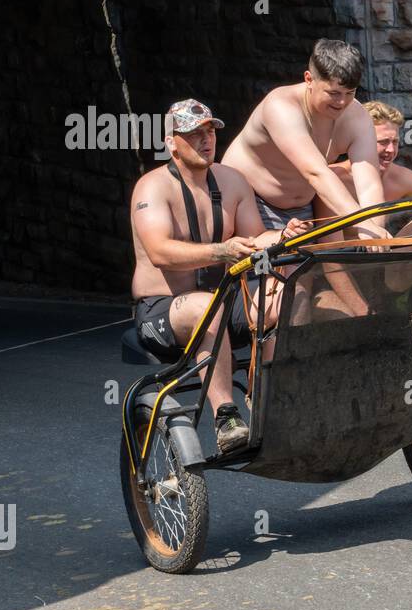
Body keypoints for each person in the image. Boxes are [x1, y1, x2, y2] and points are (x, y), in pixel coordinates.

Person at [130, 99, 309, 453]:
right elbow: (160, 252)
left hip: (223, 302)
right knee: (204, 307)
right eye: (194, 133)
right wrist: (221, 251)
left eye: (209, 130)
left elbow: (256, 237)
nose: (206, 138)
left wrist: (283, 236)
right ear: (171, 142)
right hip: (162, 312)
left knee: (286, 291)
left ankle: (265, 397)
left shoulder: (232, 181)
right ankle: (226, 415)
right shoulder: (152, 188)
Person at [222, 39, 387, 242]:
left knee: (314, 268)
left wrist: (375, 231)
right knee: (273, 270)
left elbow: (369, 184)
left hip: (303, 211)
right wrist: (363, 223)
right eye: (333, 93)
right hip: (251, 202)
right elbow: (316, 172)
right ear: (309, 79)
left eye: (350, 93)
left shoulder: (357, 116)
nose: (342, 102)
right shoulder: (281, 106)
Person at [323, 100, 412, 238]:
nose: (391, 150)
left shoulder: (401, 177)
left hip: (384, 254)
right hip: (340, 256)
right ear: (359, 140)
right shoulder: (334, 177)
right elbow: (326, 245)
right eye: (383, 142)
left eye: (395, 142)